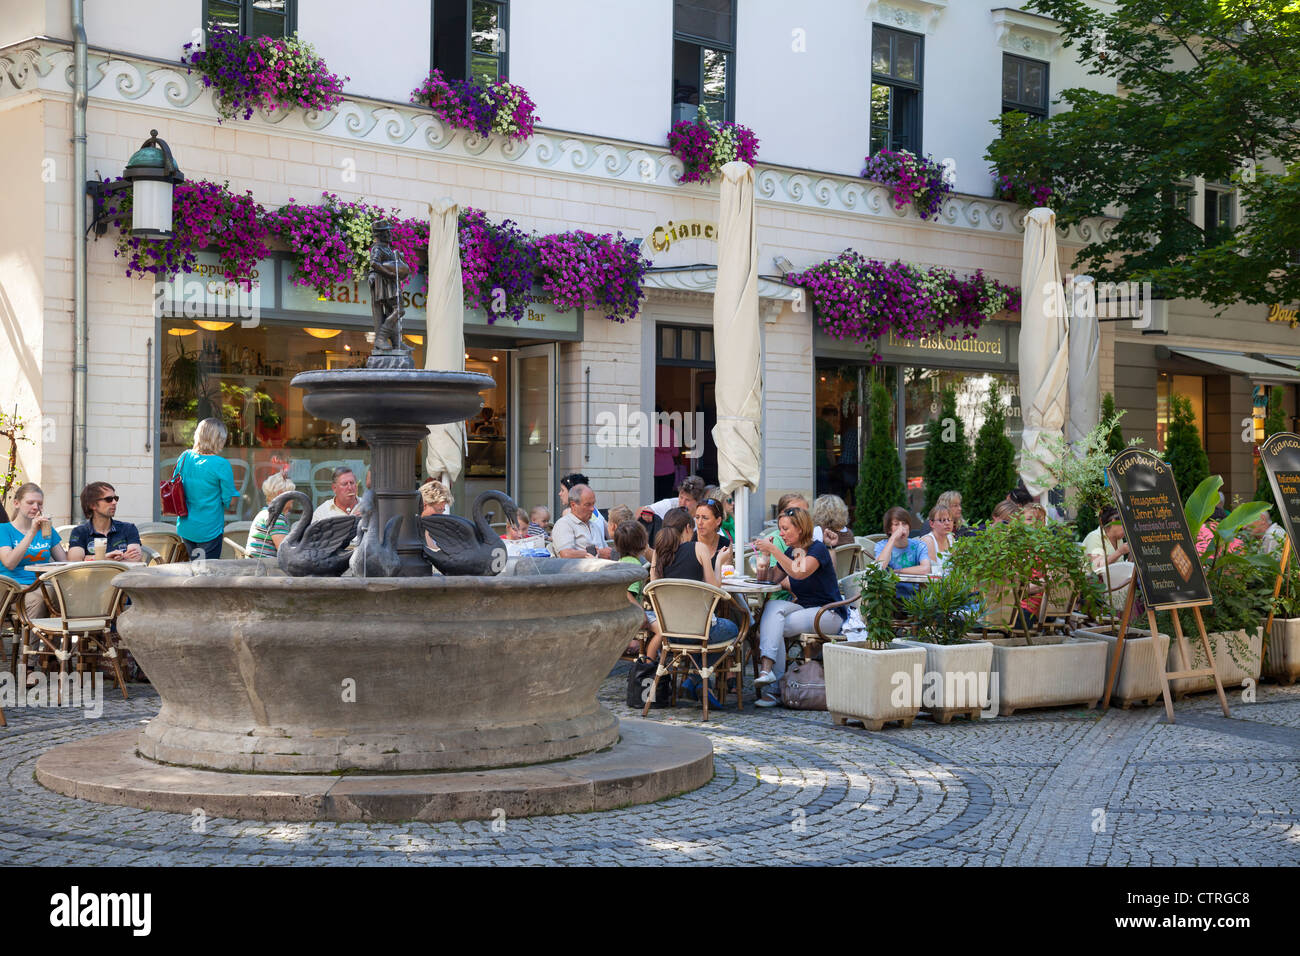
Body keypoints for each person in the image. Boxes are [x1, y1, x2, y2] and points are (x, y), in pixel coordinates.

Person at [751, 507, 844, 707]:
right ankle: (767, 673)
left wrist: (775, 550)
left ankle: (773, 687)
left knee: (774, 625)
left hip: (828, 613)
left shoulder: (817, 549)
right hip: (805, 609)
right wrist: (765, 560)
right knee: (774, 607)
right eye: (780, 529)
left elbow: (799, 572)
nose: (781, 533)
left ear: (800, 529)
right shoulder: (790, 551)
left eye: (785, 529)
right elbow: (773, 580)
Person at [650, 507, 736, 705]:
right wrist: (719, 563)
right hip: (699, 631)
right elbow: (715, 590)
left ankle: (695, 680)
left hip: (668, 632)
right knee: (734, 630)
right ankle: (696, 679)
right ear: (688, 528)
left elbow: (654, 588)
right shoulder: (699, 548)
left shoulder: (658, 554)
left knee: (714, 633)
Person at [0, 482, 68, 621]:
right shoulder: (4, 529)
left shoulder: (47, 529)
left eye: (40, 503)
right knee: (41, 598)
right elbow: (9, 563)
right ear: (16, 503)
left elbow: (64, 563)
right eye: (30, 502)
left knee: (66, 596)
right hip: (13, 589)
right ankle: (32, 643)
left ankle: (56, 640)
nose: (36, 507)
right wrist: (32, 532)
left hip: (42, 585)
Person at [175, 417, 239, 560]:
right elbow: (231, 501)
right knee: (206, 575)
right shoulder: (221, 464)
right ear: (219, 439)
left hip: (186, 526)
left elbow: (175, 486)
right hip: (209, 529)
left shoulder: (185, 457)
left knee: (195, 568)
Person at [65, 481, 142, 562]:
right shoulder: (80, 532)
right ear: (92, 505)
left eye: (116, 498)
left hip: (123, 575)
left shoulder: (128, 528)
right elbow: (74, 561)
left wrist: (88, 559)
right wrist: (106, 558)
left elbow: (135, 558)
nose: (114, 502)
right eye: (109, 499)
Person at [615, 520, 658, 656]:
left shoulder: (622, 562)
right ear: (642, 542)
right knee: (663, 629)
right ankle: (648, 664)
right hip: (631, 617)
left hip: (621, 617)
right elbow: (626, 593)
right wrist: (641, 613)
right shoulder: (634, 565)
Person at [874, 506, 930, 597]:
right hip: (889, 598)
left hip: (914, 598)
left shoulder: (919, 545)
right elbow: (879, 568)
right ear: (889, 529)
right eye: (896, 524)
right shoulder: (881, 546)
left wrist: (898, 571)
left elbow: (925, 569)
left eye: (904, 524)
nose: (901, 528)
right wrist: (892, 538)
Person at [553, 484, 613, 559]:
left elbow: (606, 552)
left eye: (593, 504)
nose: (592, 509)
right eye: (588, 505)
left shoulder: (594, 526)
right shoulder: (564, 524)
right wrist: (598, 553)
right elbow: (565, 554)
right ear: (573, 505)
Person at [246, 471, 297, 558]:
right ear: (281, 494)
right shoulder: (276, 518)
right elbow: (284, 549)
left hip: (255, 563)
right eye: (292, 495)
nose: (294, 499)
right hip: (267, 567)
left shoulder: (264, 512)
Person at [559, 473, 607, 544]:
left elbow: (563, 541)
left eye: (563, 490)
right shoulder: (595, 511)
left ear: (572, 492)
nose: (560, 493)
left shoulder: (569, 512)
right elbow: (610, 537)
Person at [1081, 507, 1131, 574]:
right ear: (1114, 521)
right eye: (1125, 526)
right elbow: (1097, 566)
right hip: (1094, 583)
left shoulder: (1119, 540)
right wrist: (1120, 552)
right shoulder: (1094, 537)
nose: (1127, 530)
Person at [653, 404, 681, 501]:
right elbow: (675, 452)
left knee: (654, 500)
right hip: (668, 471)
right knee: (666, 499)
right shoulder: (670, 431)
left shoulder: (648, 431)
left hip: (653, 471)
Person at [693, 497, 732, 563]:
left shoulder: (725, 545)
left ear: (718, 521)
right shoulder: (688, 541)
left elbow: (727, 572)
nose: (699, 522)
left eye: (705, 518)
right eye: (697, 517)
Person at [921, 504, 955, 575]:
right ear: (931, 523)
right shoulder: (928, 540)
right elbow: (934, 571)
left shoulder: (951, 538)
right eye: (942, 520)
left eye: (949, 520)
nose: (947, 523)